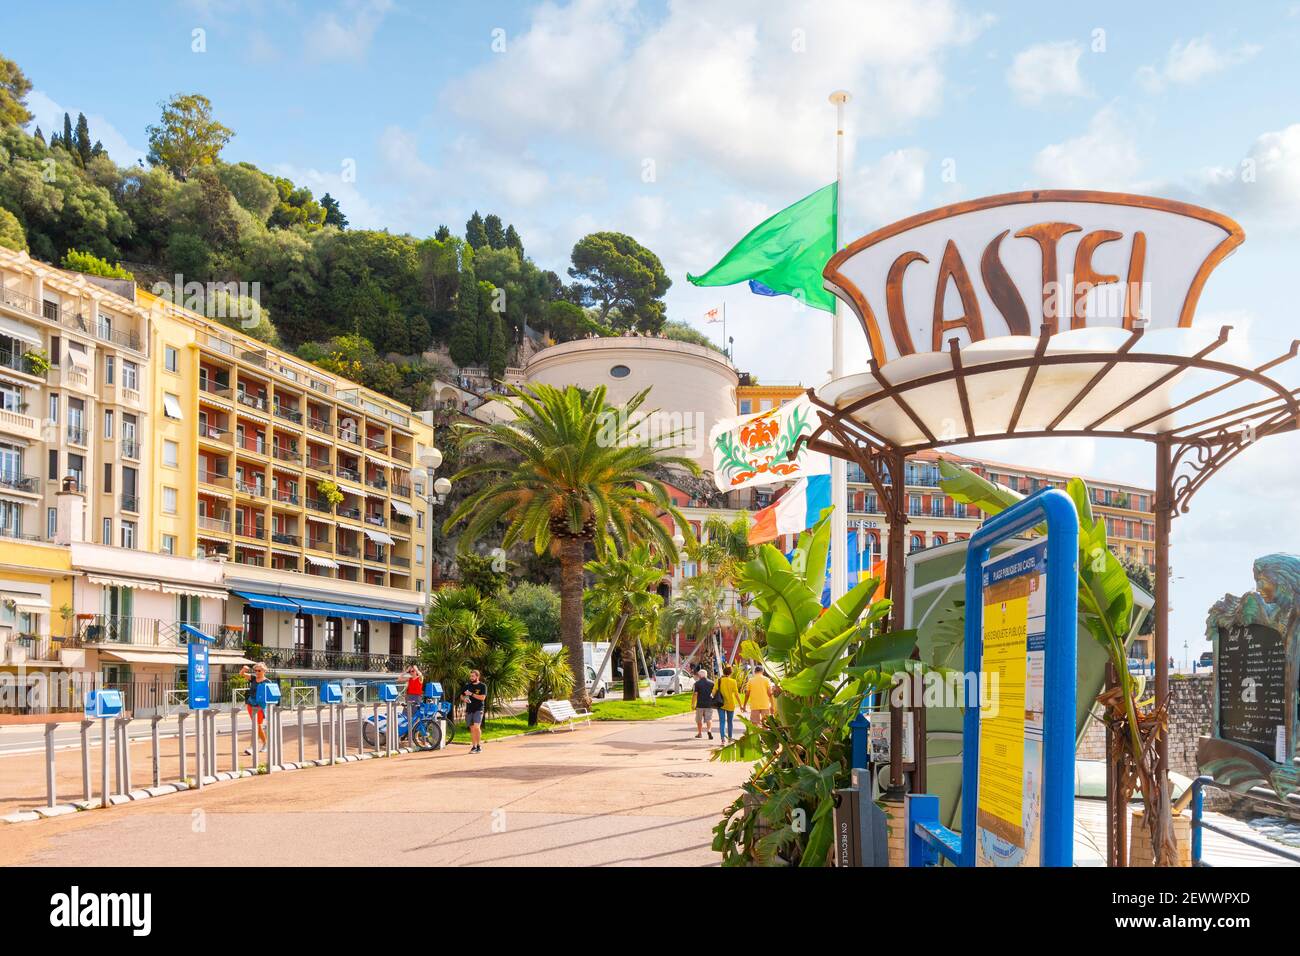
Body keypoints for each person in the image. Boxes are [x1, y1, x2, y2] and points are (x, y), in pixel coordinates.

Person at [239, 662, 269, 755]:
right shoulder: (253, 678)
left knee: (257, 725)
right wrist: (244, 669)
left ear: (264, 671)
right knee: (256, 726)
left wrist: (261, 706)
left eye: (259, 670)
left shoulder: (267, 682)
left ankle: (252, 747)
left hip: (260, 706)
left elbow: (268, 696)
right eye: (255, 670)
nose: (257, 672)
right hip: (250, 705)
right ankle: (265, 744)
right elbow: (241, 674)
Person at [461, 669, 487, 754]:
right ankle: (474, 746)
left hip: (479, 709)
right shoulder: (467, 686)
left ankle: (479, 746)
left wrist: (471, 694)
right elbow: (462, 696)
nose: (471, 678)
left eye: (473, 676)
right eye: (470, 676)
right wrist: (465, 699)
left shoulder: (482, 686)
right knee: (472, 729)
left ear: (477, 676)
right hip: (469, 710)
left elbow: (483, 697)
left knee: (476, 727)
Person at [715, 665, 740, 744]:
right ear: (730, 673)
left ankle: (722, 739)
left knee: (722, 722)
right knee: (730, 722)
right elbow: (736, 694)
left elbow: (713, 691)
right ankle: (730, 738)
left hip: (720, 704)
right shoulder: (733, 681)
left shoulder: (719, 681)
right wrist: (741, 705)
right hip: (730, 704)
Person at [690, 669, 714, 740]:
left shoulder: (697, 684)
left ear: (700, 675)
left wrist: (693, 704)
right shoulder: (712, 683)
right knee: (709, 719)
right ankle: (709, 730)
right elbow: (714, 694)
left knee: (699, 720)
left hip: (700, 704)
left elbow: (695, 694)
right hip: (709, 704)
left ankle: (700, 733)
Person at [404, 663, 424, 743]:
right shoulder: (409, 679)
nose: (412, 672)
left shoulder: (420, 678)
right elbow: (399, 678)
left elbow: (421, 675)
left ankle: (414, 735)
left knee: (416, 717)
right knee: (406, 716)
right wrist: (406, 671)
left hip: (417, 698)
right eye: (411, 671)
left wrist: (416, 669)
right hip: (409, 697)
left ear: (416, 672)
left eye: (413, 671)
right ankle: (406, 734)